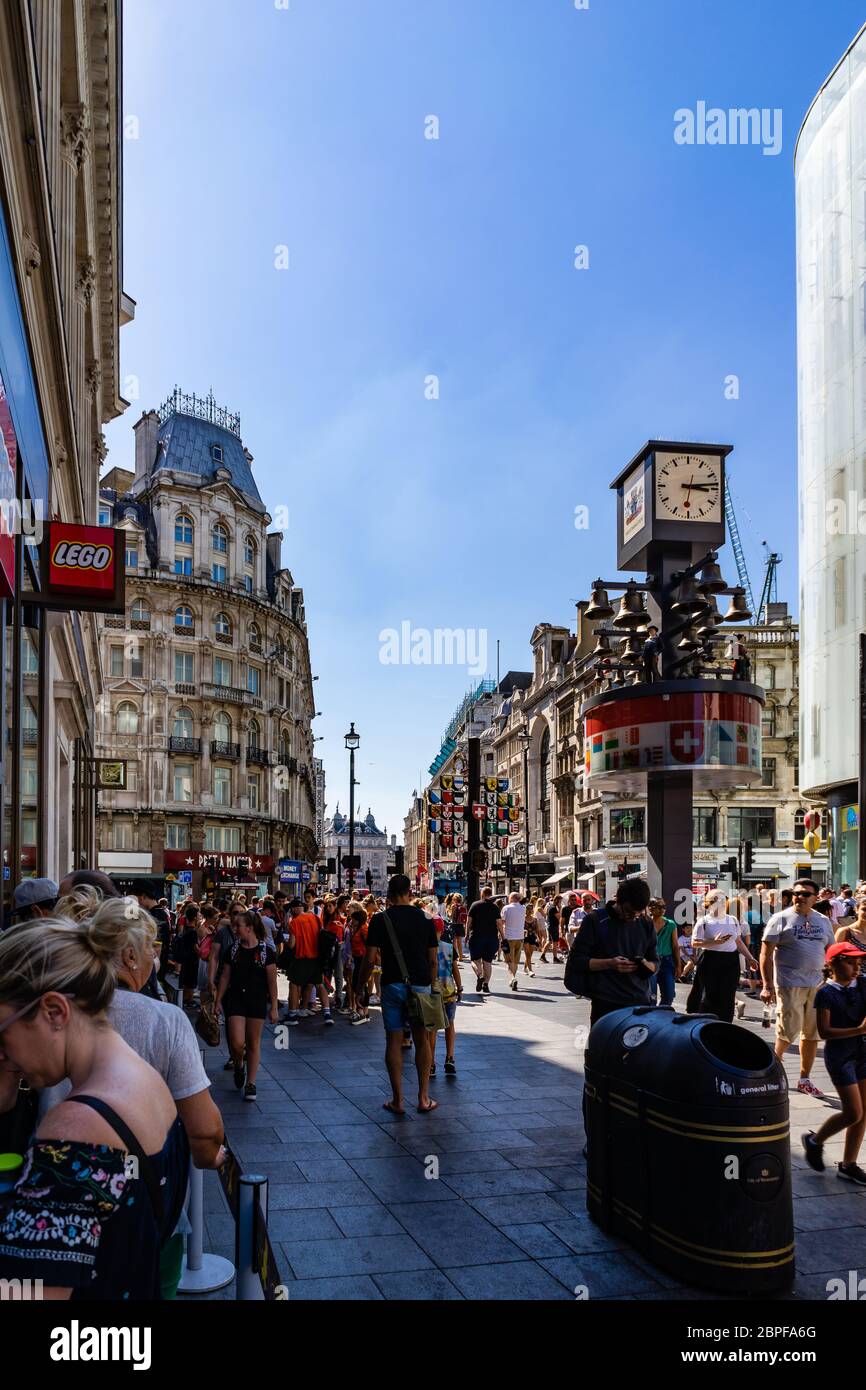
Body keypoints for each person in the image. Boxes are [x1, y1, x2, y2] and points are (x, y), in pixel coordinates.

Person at [0, 915, 189, 1299]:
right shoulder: (147, 1082)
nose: (3, 1054)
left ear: (54, 1011)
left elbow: (30, 1293)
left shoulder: (73, 1128)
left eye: (2, 1033)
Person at [360, 874, 439, 1115]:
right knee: (422, 1040)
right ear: (410, 894)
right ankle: (424, 1098)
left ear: (389, 895)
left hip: (392, 984)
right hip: (421, 986)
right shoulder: (426, 919)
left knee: (393, 1041)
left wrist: (360, 986)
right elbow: (433, 960)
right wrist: (432, 985)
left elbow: (370, 958)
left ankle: (398, 1101)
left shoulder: (379, 919)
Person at [760, 878, 836, 1097]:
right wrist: (766, 985)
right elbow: (766, 953)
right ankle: (772, 1072)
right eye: (796, 893)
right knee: (787, 1030)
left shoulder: (823, 921)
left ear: (815, 898)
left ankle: (805, 1079)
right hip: (789, 983)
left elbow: (830, 951)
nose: (799, 897)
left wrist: (830, 978)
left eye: (805, 894)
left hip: (818, 985)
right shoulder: (780, 918)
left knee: (812, 1034)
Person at [802, 942, 866, 1185]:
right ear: (833, 964)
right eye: (850, 962)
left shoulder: (862, 985)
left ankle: (848, 1164)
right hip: (840, 1057)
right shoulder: (825, 993)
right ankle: (815, 1140)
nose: (855, 968)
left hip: (862, 1052)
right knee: (853, 1112)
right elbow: (825, 1032)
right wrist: (858, 1029)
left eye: (858, 963)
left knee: (863, 1115)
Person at [566, 878, 658, 1026]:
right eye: (628, 912)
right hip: (606, 1002)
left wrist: (644, 964)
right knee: (602, 1048)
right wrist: (609, 963)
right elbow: (576, 960)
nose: (632, 917)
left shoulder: (645, 922)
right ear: (618, 900)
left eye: (637, 913)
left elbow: (655, 962)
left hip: (639, 1001)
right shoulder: (595, 920)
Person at [215, 911, 278, 1102]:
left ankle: (251, 1083)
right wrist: (218, 999)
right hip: (235, 998)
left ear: (249, 928)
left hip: (256, 999)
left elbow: (272, 982)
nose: (235, 930)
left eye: (238, 926)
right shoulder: (232, 950)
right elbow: (225, 976)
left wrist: (274, 1006)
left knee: (253, 1043)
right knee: (236, 1042)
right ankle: (238, 1065)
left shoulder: (266, 952)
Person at [691, 892, 756, 1023]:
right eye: (716, 900)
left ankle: (725, 1024)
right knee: (709, 995)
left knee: (728, 994)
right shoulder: (703, 921)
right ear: (709, 904)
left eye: (722, 900)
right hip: (710, 959)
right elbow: (695, 942)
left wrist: (750, 958)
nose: (720, 903)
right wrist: (715, 942)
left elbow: (738, 941)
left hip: (730, 961)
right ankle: (707, 1024)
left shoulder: (732, 919)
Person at [284, 899, 332, 1026]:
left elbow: (292, 943)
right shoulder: (315, 918)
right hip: (316, 958)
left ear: (294, 909)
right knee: (319, 984)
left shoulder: (294, 922)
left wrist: (286, 942)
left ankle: (292, 1015)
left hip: (301, 958)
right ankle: (327, 1014)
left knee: (294, 985)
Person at [428, 913, 458, 1078]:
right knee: (450, 1024)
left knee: (432, 1028)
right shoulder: (449, 947)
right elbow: (455, 969)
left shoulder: (425, 948)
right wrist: (459, 988)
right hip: (449, 991)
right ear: (442, 930)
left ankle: (431, 1063)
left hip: (433, 991)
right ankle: (450, 1058)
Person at [465, 886, 503, 994]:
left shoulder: (475, 905)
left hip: (477, 936)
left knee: (474, 960)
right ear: (491, 894)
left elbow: (469, 921)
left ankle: (479, 975)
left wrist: (467, 934)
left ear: (482, 894)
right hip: (491, 938)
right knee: (487, 962)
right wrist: (503, 937)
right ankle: (486, 984)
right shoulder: (494, 907)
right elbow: (499, 923)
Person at [647, 897, 680, 1007]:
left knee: (669, 996)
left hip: (666, 962)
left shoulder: (670, 924)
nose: (662, 909)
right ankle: (651, 1020)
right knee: (651, 998)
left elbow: (675, 946)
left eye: (664, 907)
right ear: (650, 908)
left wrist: (678, 965)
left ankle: (661, 1017)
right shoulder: (644, 923)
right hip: (649, 962)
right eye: (659, 907)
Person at [502, 891, 527, 991]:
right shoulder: (523, 908)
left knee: (508, 961)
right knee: (515, 961)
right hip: (520, 938)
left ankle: (512, 978)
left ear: (511, 898)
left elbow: (502, 922)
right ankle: (512, 980)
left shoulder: (506, 908)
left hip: (509, 937)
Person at [545, 894, 564, 964]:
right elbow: (559, 917)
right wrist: (560, 908)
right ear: (557, 900)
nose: (561, 902)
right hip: (553, 926)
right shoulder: (554, 908)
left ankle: (543, 955)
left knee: (550, 941)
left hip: (550, 926)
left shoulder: (550, 907)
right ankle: (555, 958)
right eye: (560, 901)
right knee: (555, 942)